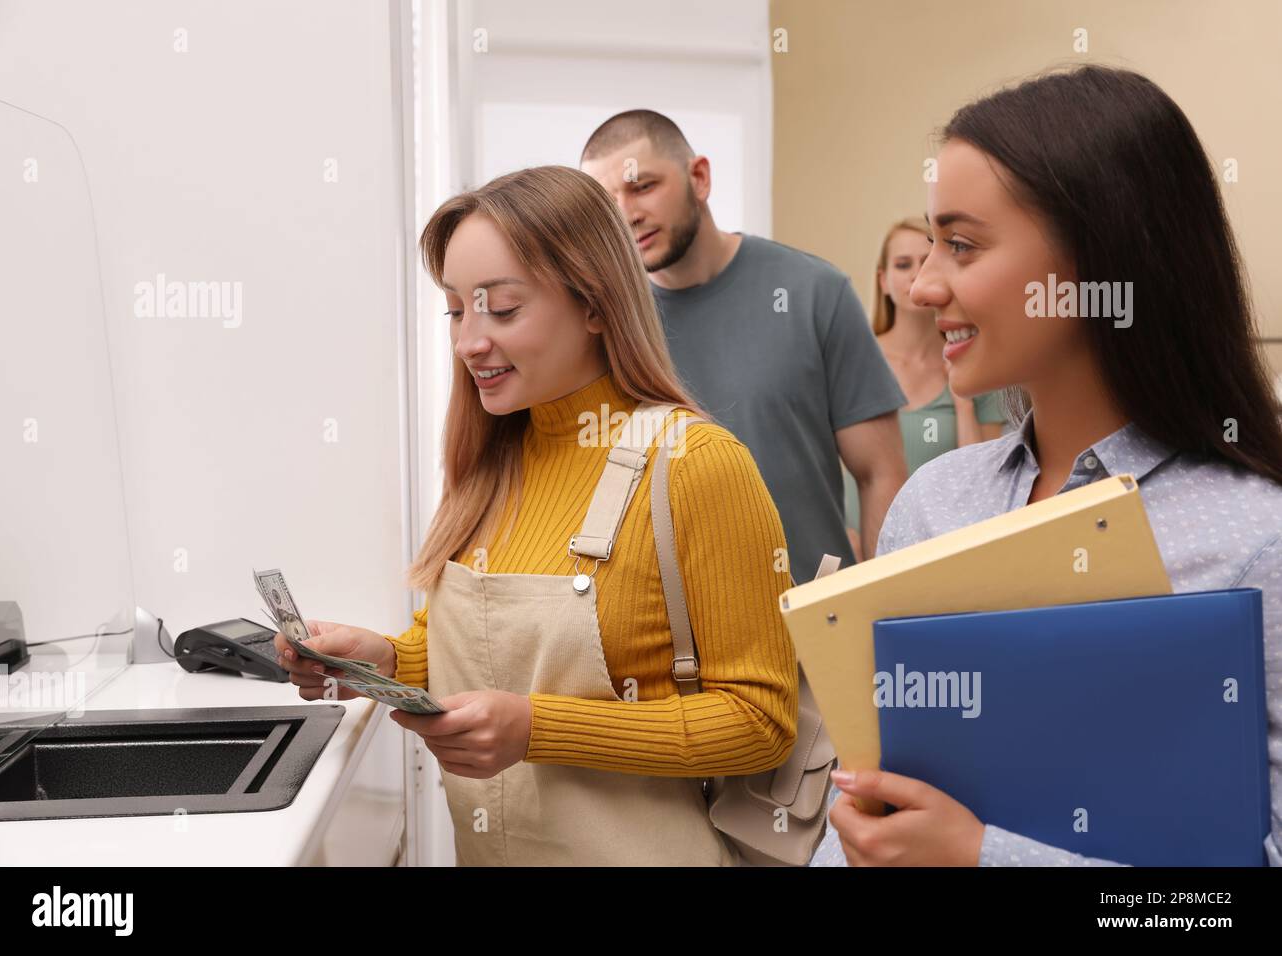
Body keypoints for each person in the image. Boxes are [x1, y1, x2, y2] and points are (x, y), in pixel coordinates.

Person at [812, 64, 1282, 866]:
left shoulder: (1258, 537)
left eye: (960, 245)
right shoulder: (935, 504)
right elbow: (867, 797)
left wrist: (979, 856)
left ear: (1100, 255)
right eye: (929, 248)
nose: (922, 287)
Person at [274, 165, 799, 866]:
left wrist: (536, 729)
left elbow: (761, 723)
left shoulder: (695, 463)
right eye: (458, 309)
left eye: (503, 309)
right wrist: (383, 660)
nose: (469, 342)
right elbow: (471, 653)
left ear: (595, 305)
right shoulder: (491, 464)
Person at [580, 111, 908, 583]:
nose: (628, 213)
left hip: (814, 634)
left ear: (699, 177)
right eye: (609, 203)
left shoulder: (814, 291)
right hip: (673, 645)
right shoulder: (606, 330)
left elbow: (881, 474)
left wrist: (880, 614)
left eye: (643, 186)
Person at [842, 218, 1006, 560]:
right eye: (903, 265)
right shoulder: (851, 362)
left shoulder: (975, 365)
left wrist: (962, 405)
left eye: (927, 261)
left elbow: (988, 486)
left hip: (946, 558)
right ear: (883, 281)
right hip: (856, 557)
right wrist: (842, 531)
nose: (917, 274)